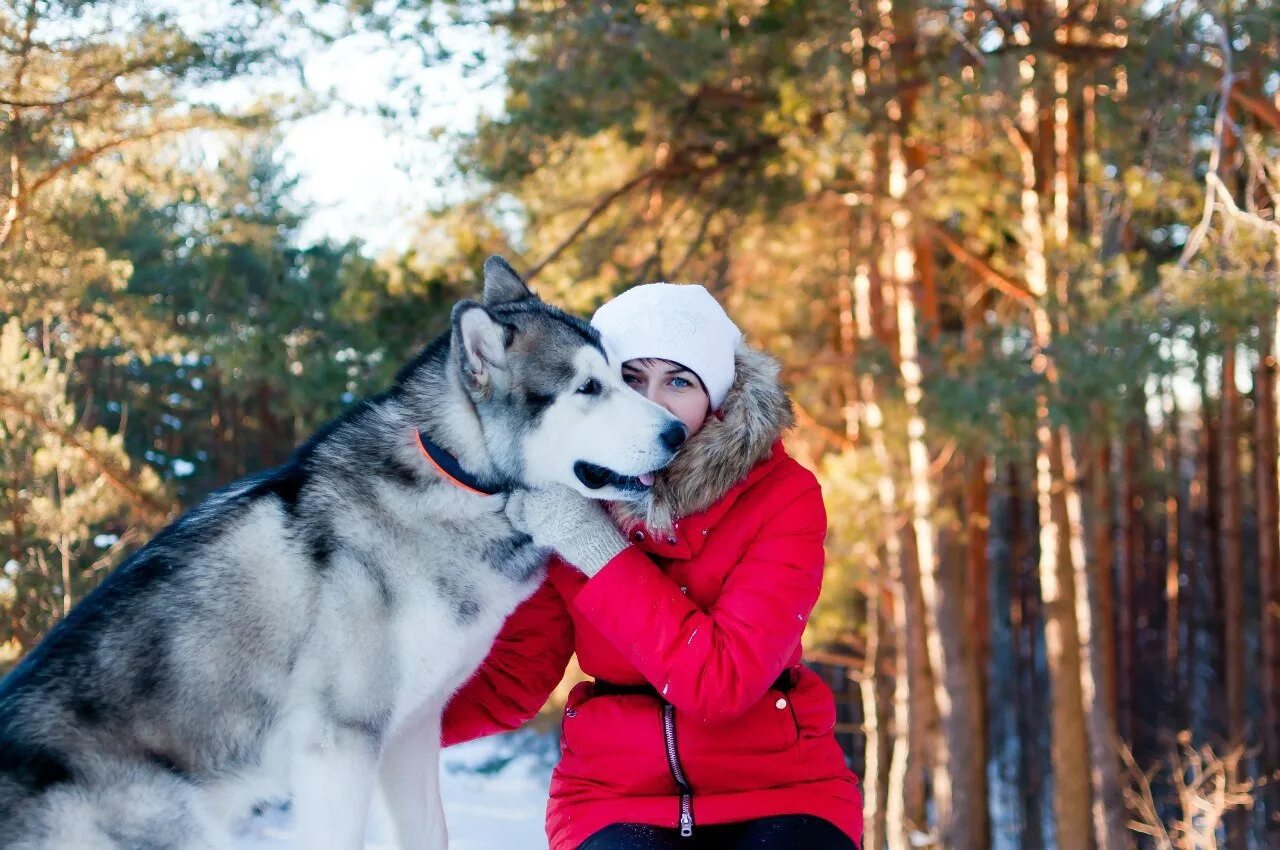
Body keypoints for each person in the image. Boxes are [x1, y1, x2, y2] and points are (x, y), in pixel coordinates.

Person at [441, 282, 863, 850]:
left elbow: (722, 683)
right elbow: (513, 681)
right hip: (615, 798)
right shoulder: (576, 492)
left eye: (679, 382)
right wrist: (377, 722)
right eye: (631, 378)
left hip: (782, 790)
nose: (653, 403)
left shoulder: (782, 496)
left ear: (717, 397)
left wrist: (596, 549)